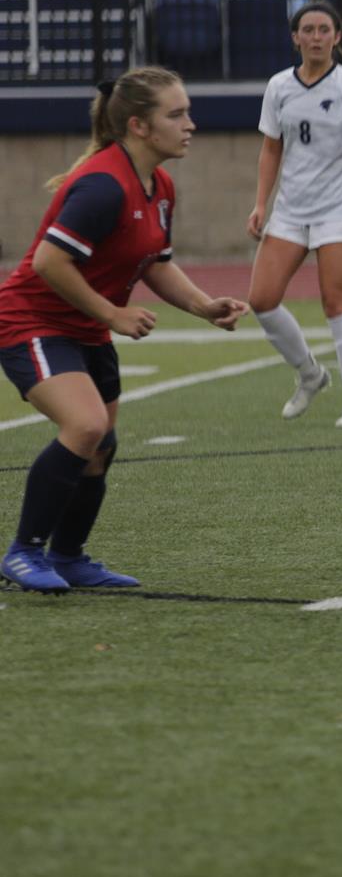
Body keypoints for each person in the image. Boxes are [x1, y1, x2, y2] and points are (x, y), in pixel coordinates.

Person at [0, 69, 250, 594]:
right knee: (86, 425)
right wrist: (112, 314)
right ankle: (23, 552)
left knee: (100, 446)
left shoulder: (159, 185)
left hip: (85, 327)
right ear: (138, 125)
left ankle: (68, 558)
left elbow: (155, 263)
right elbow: (49, 261)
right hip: (31, 321)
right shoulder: (101, 185)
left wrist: (204, 306)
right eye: (176, 114)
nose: (191, 125)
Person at [246, 0, 342, 430]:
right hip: (291, 211)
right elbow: (271, 149)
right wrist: (261, 203)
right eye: (307, 30)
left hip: (339, 212)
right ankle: (310, 373)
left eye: (323, 30)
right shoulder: (278, 87)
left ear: (337, 37)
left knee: (336, 303)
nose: (315, 37)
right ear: (295, 38)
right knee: (261, 299)